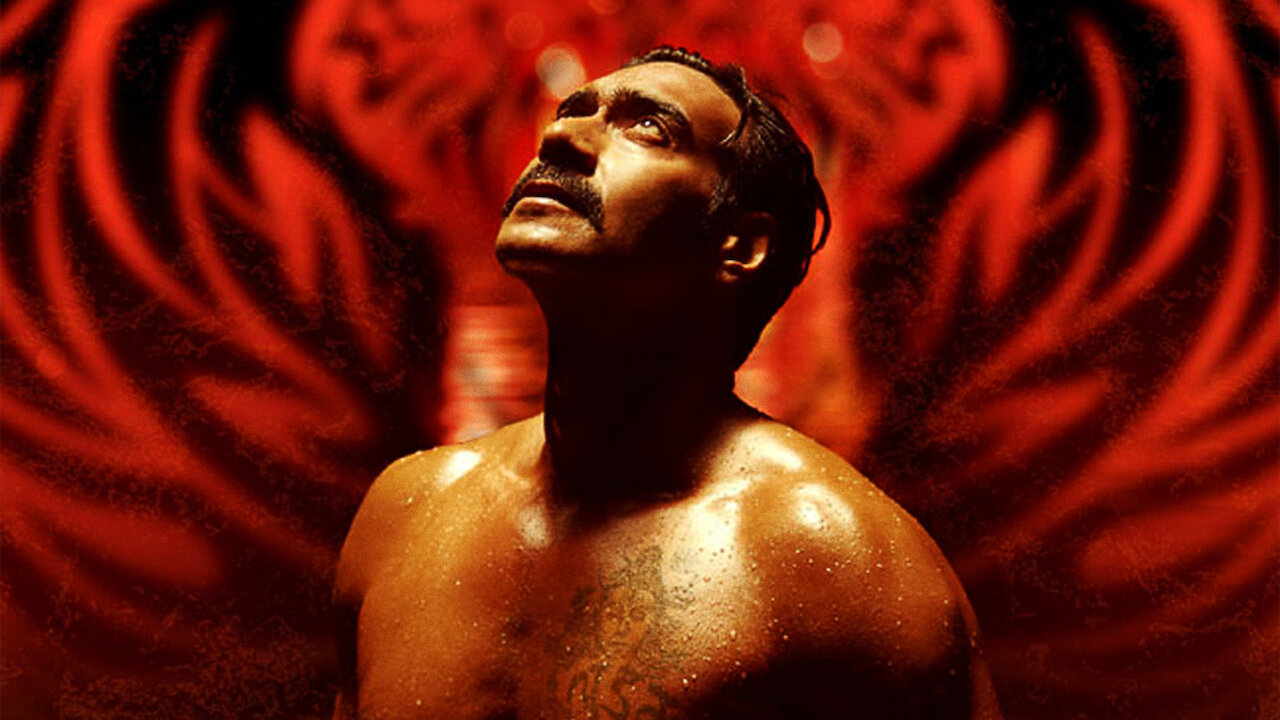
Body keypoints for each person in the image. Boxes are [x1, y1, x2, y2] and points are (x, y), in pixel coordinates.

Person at [332, 46, 1001, 720]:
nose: (560, 137)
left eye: (649, 128)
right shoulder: (405, 514)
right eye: (571, 112)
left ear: (741, 245)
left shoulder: (833, 556)